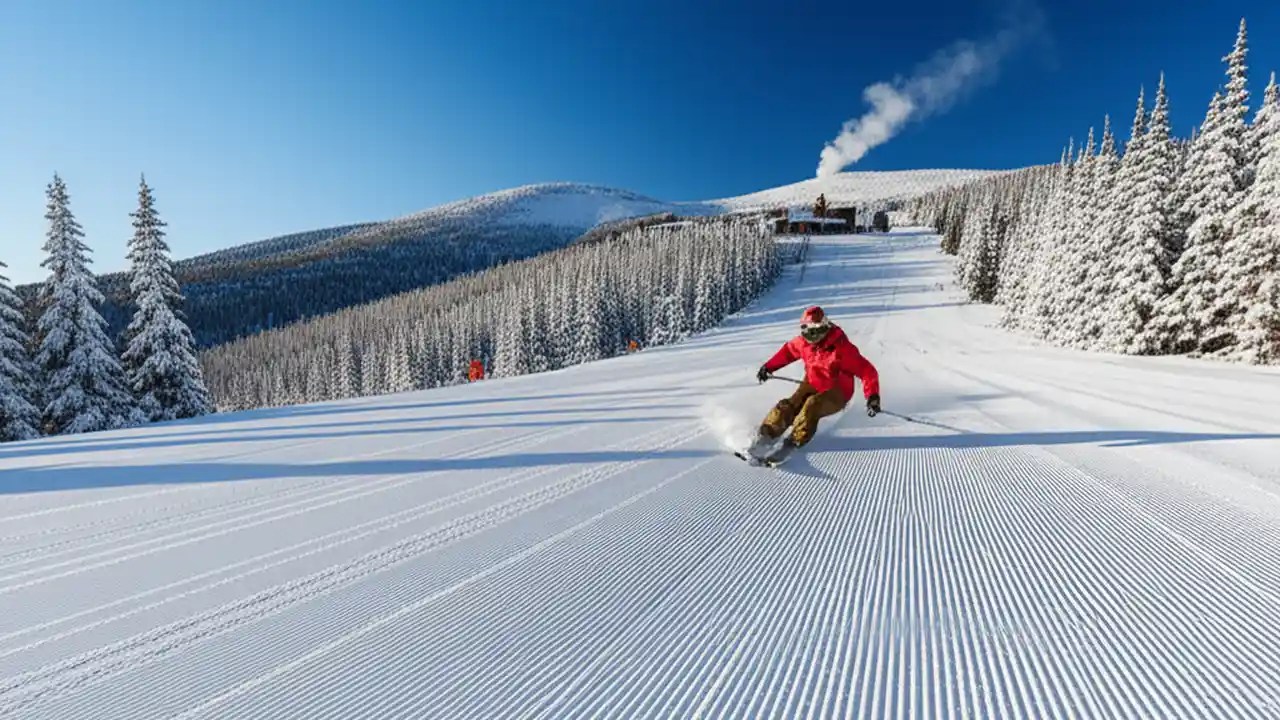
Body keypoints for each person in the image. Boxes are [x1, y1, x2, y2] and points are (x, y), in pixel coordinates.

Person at [750, 306, 880, 457]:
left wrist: (872, 396)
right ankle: (766, 437)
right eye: (807, 330)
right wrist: (769, 367)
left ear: (824, 327)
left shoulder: (841, 348)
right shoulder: (804, 343)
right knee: (789, 405)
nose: (811, 336)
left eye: (815, 330)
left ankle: (793, 442)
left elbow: (867, 371)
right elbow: (789, 351)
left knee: (812, 405)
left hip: (837, 391)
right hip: (812, 382)